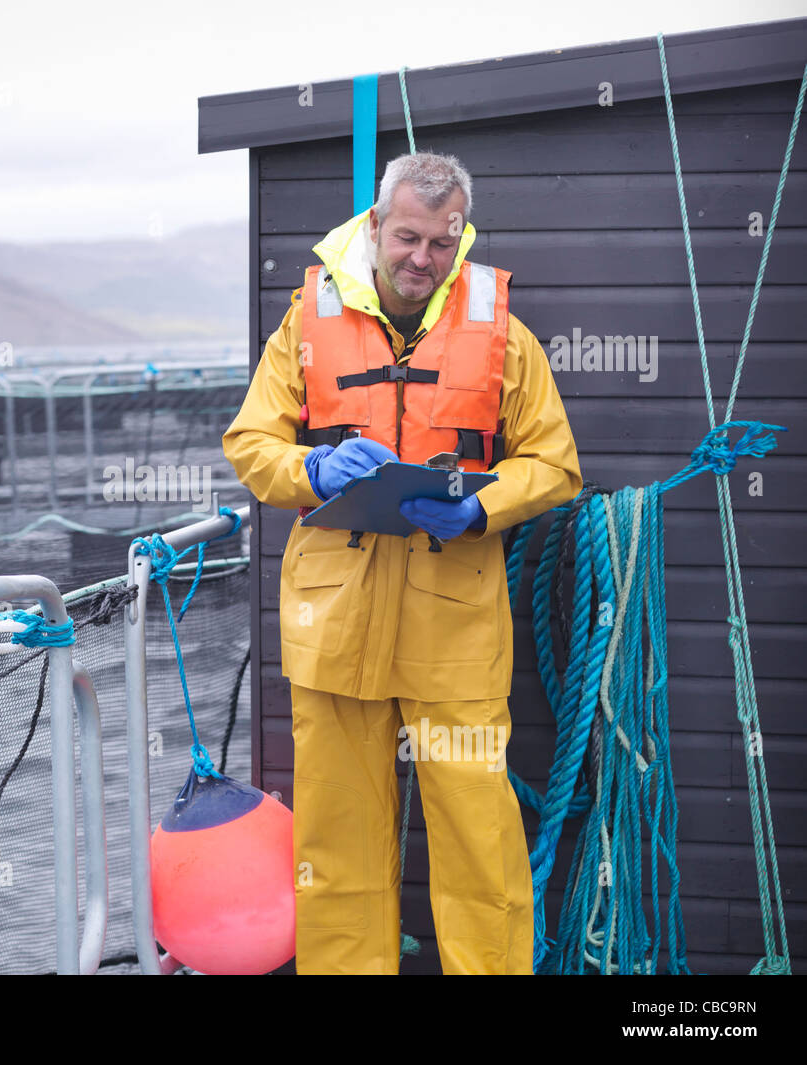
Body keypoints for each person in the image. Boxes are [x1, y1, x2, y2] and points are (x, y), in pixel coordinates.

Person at [221, 151, 582, 975]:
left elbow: (555, 463)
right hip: (334, 626)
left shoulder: (500, 328)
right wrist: (311, 470)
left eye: (442, 242)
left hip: (453, 631)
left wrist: (479, 507)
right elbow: (251, 442)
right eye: (409, 237)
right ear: (376, 225)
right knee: (336, 845)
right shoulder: (305, 319)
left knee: (479, 845)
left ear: (462, 238)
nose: (423, 258)